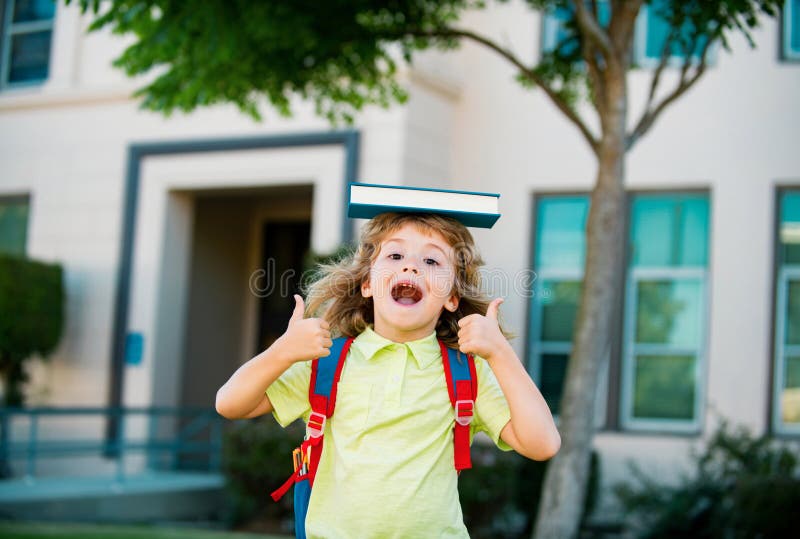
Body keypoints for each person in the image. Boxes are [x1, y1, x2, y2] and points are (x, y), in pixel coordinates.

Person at [216, 212, 560, 538]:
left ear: (452, 298)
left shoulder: (467, 370)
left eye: (432, 261)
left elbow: (542, 444)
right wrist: (282, 352)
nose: (410, 264)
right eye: (395, 256)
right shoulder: (325, 362)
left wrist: (501, 354)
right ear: (367, 283)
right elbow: (230, 404)